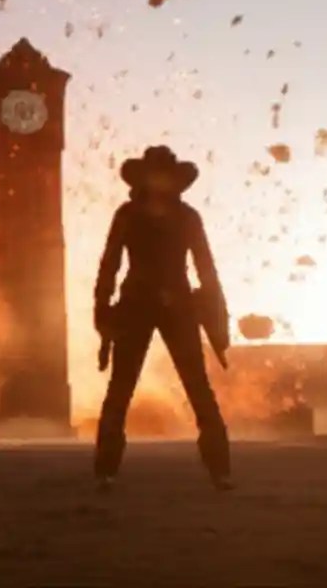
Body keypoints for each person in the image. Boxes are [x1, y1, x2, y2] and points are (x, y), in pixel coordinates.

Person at [93, 145, 232, 493]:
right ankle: (106, 469)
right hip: (136, 305)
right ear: (144, 178)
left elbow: (206, 267)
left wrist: (214, 313)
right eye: (155, 174)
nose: (160, 181)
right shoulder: (126, 215)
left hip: (179, 305)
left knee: (198, 386)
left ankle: (220, 469)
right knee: (120, 388)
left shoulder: (189, 218)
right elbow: (109, 263)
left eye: (164, 174)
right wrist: (103, 308)